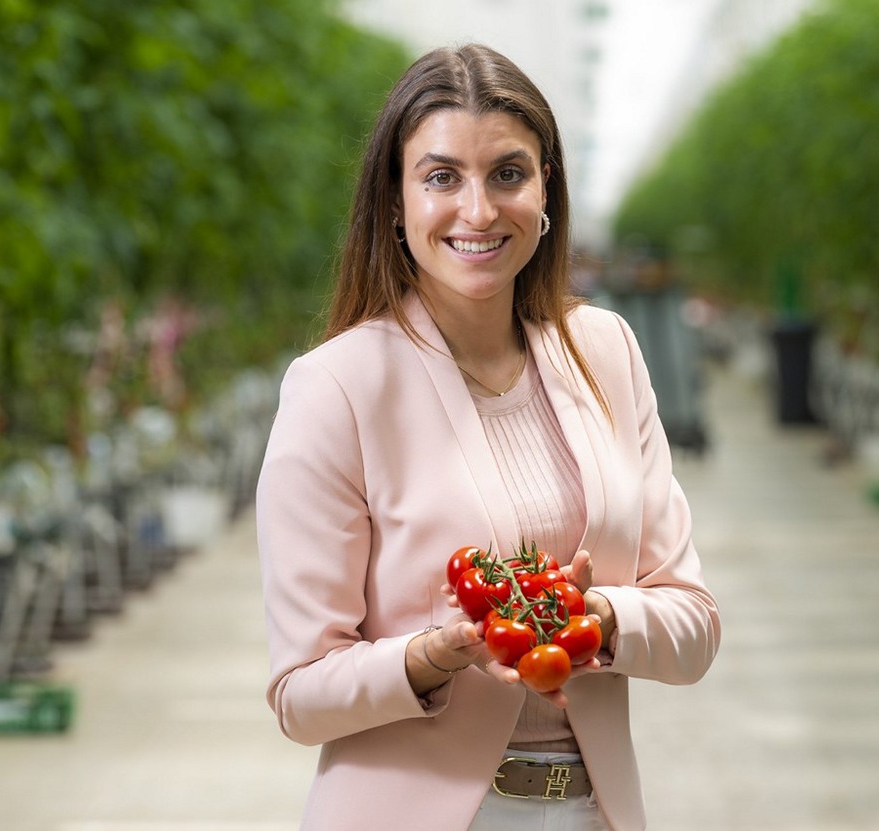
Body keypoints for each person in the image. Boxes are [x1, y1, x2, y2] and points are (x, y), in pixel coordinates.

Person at [255, 43, 721, 830]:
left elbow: (694, 624)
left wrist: (598, 616)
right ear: (397, 205)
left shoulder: (604, 352)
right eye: (442, 177)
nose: (478, 210)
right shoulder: (336, 386)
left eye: (508, 172)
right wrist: (428, 657)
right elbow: (300, 693)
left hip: (590, 812)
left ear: (546, 193)